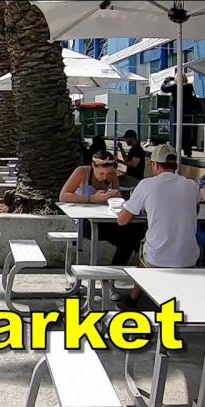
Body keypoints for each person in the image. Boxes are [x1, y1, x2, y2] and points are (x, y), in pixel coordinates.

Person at [118, 144, 201, 305]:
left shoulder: (146, 185)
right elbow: (195, 210)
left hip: (157, 259)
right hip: (189, 257)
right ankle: (134, 299)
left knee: (146, 246)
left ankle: (133, 299)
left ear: (154, 165)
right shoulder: (191, 185)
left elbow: (122, 220)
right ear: (175, 165)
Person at [59, 150, 143, 265]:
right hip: (85, 222)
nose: (105, 177)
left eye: (109, 174)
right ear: (93, 166)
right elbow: (63, 196)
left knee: (133, 234)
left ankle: (113, 273)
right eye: (101, 174)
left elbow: (117, 194)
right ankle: (111, 274)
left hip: (106, 219)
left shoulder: (112, 175)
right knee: (128, 238)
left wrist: (115, 196)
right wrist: (92, 199)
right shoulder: (82, 172)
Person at [160, 72, 202, 157]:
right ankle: (188, 152)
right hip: (188, 114)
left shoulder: (175, 87)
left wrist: (166, 80)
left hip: (177, 114)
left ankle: (174, 151)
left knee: (175, 133)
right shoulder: (189, 87)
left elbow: (163, 89)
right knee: (187, 134)